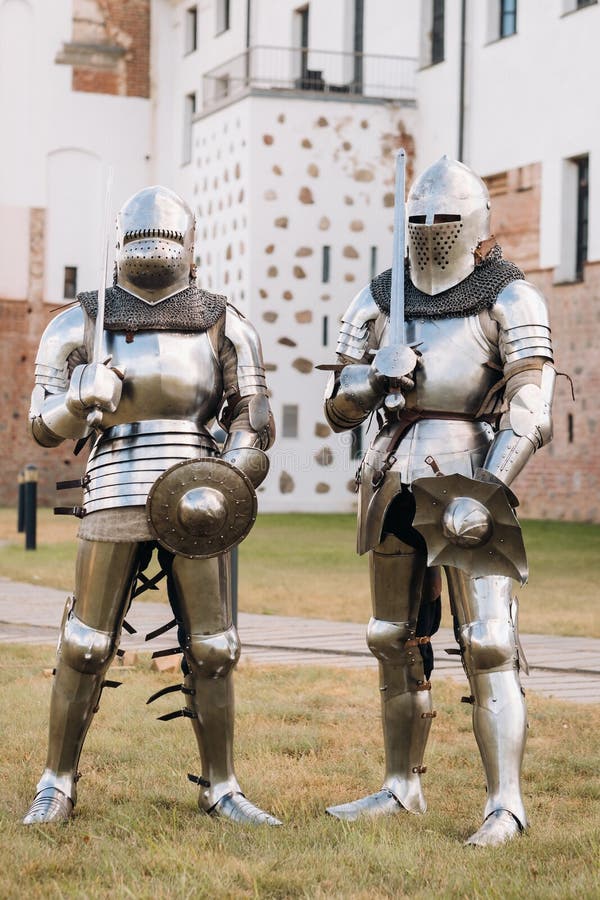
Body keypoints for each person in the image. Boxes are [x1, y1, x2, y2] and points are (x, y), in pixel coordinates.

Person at [23, 185, 281, 826]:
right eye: (141, 236)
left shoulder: (223, 319)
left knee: (215, 646)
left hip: (199, 489)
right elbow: (40, 425)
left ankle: (220, 786)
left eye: (164, 236)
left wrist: (229, 475)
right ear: (118, 244)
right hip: (114, 481)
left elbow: (252, 417)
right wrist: (81, 401)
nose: (152, 247)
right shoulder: (78, 320)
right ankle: (56, 782)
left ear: (191, 246)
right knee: (85, 643)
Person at [323, 156, 555, 846]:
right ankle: (402, 786)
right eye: (417, 219)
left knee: (487, 641)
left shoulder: (509, 296)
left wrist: (488, 486)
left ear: (478, 224)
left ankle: (505, 804)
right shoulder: (378, 297)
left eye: (444, 219)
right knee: (394, 638)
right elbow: (336, 409)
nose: (429, 231)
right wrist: (370, 378)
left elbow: (530, 407)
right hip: (390, 472)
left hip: (470, 472)